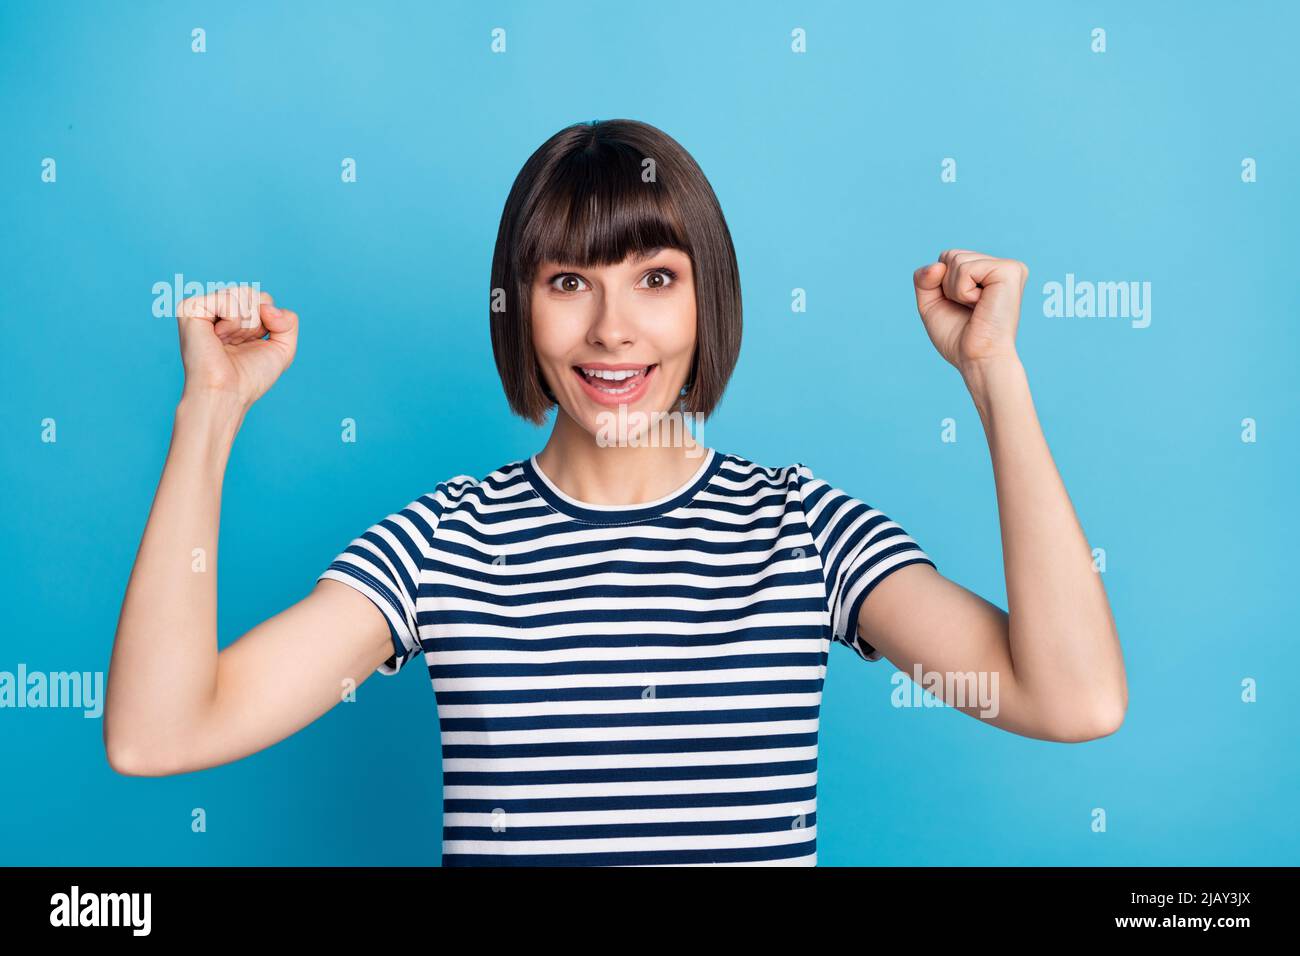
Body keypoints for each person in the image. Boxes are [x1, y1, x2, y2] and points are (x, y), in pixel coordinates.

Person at [105, 119, 1126, 866]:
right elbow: (160, 731)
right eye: (565, 282)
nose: (611, 332)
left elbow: (1070, 698)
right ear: (518, 308)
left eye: (653, 276)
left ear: (707, 294)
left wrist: (994, 374)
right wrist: (210, 407)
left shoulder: (803, 529)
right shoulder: (441, 543)